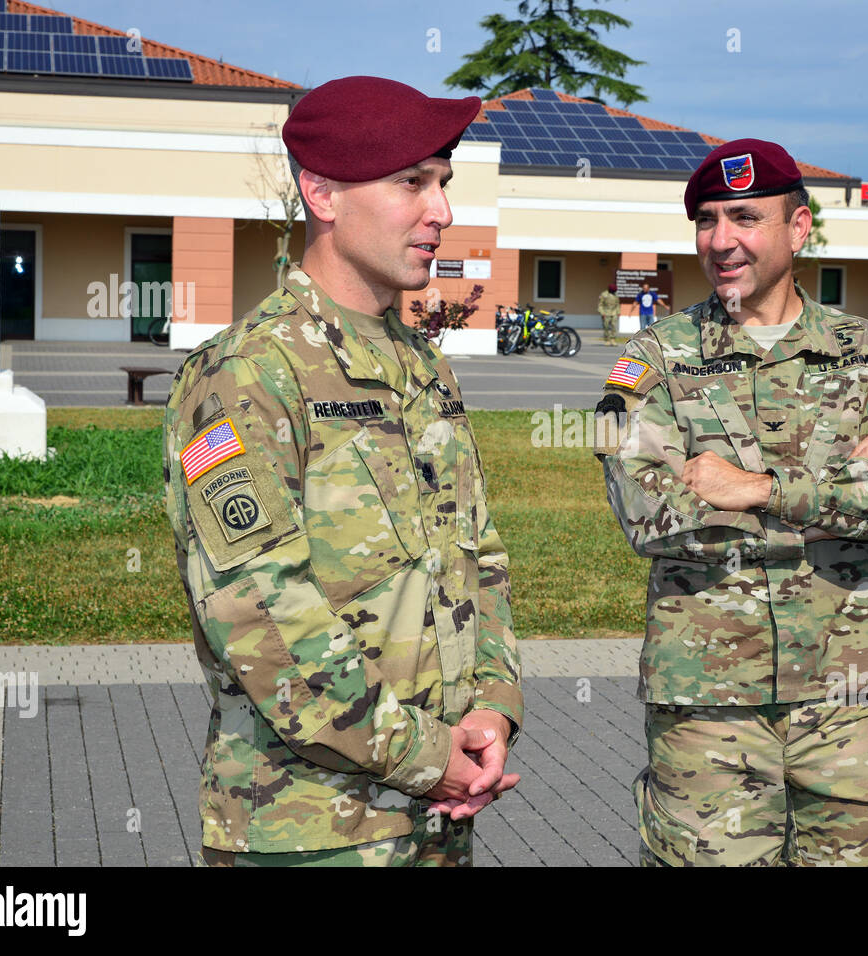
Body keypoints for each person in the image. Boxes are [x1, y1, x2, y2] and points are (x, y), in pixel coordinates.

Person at [163, 76, 523, 868]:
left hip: (437, 817)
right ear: (322, 193)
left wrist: (494, 710)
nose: (443, 212)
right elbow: (263, 622)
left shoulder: (422, 367)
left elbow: (478, 560)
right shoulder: (246, 376)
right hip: (309, 830)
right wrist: (427, 757)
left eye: (444, 182)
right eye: (411, 183)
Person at [593, 138, 868, 867]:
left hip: (845, 695)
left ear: (798, 229)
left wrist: (756, 489)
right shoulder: (650, 360)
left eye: (744, 218)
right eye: (706, 221)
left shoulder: (866, 351)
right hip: (707, 705)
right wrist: (844, 495)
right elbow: (647, 513)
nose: (721, 241)